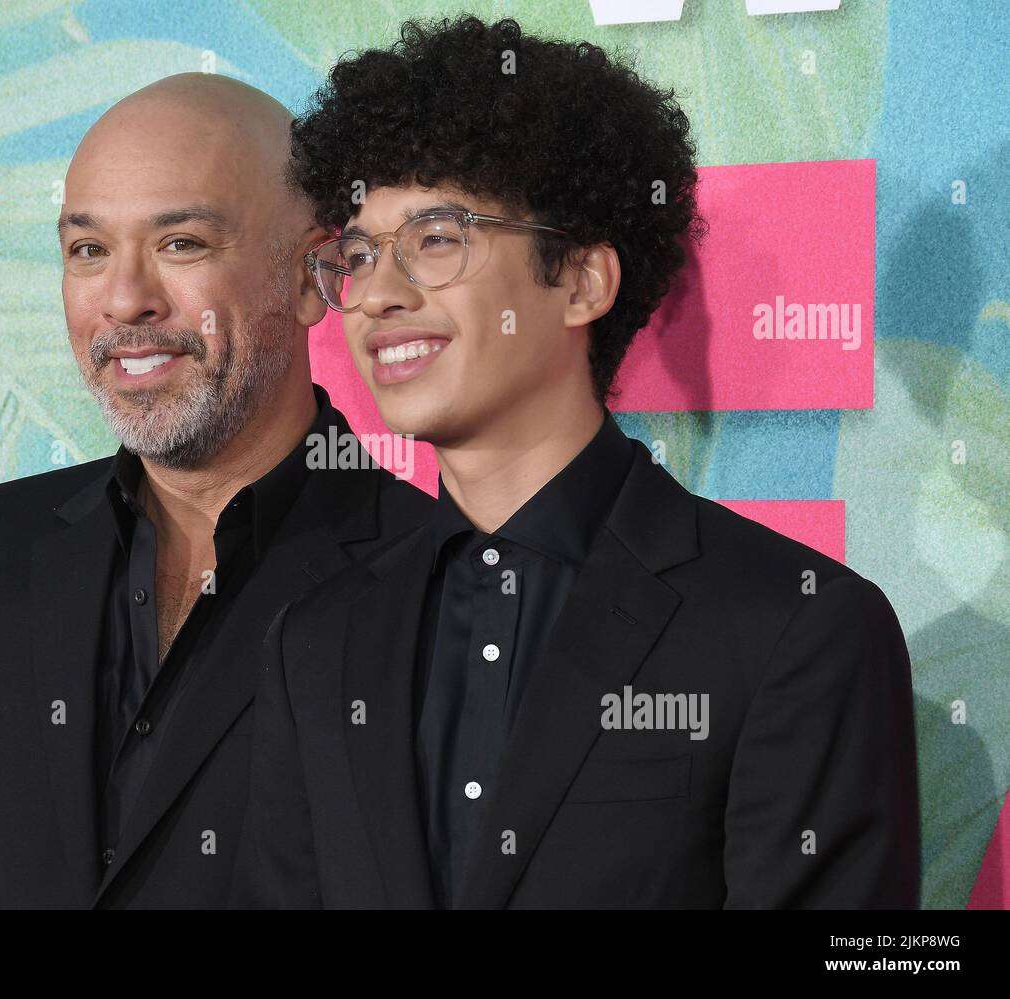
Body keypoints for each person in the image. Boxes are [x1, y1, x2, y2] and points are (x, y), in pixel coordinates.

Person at [230, 16, 920, 908]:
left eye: (437, 238)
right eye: (357, 256)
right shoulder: (317, 643)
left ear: (583, 281)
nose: (379, 296)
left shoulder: (797, 629)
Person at [0, 73, 433, 908]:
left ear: (314, 274)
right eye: (88, 250)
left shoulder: (438, 580)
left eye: (181, 243)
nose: (124, 300)